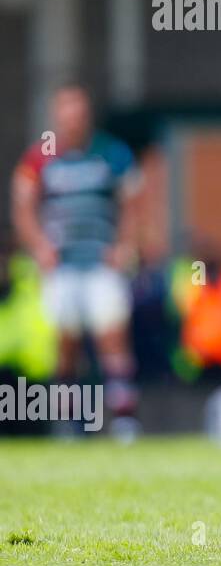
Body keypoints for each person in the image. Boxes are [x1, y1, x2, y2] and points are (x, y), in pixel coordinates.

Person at [10, 83, 142, 429]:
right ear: (56, 116)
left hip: (100, 261)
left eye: (79, 112)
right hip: (62, 265)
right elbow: (22, 203)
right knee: (65, 342)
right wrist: (38, 245)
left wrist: (125, 245)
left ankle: (124, 420)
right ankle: (69, 422)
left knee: (112, 335)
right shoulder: (42, 155)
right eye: (66, 112)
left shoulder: (110, 152)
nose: (73, 120)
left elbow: (133, 203)